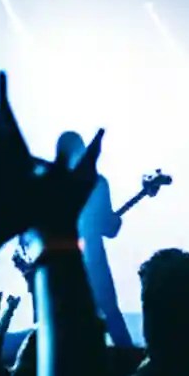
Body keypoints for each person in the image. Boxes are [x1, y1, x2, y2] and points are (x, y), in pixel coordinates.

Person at [53, 131, 133, 347]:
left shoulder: (52, 184)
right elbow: (109, 228)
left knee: (67, 326)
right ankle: (128, 367)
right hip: (93, 264)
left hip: (62, 266)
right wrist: (113, 221)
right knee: (111, 318)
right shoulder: (97, 183)